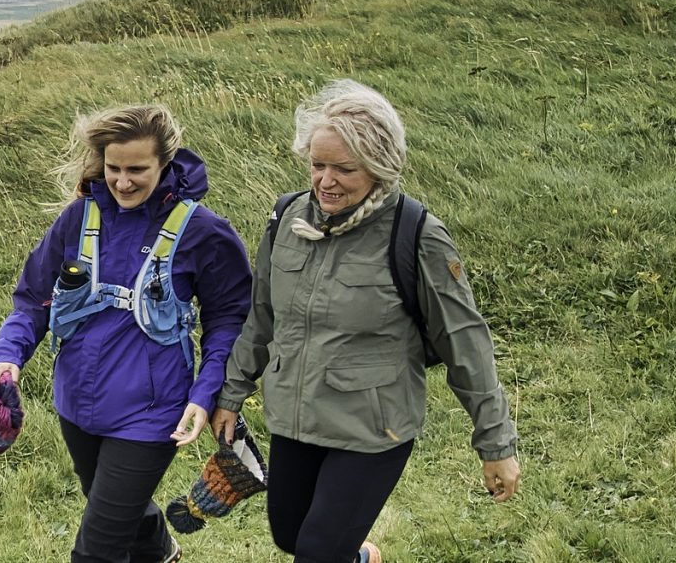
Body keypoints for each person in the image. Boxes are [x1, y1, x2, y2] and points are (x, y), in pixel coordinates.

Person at [212, 79, 524, 563]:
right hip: (296, 415)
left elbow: (465, 343)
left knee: (316, 552)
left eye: (344, 168)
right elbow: (263, 317)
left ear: (379, 167)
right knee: (290, 536)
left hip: (374, 429)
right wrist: (232, 394)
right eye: (318, 164)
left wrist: (496, 443)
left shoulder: (416, 234)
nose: (326, 180)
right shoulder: (287, 218)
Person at [0, 104, 254, 563]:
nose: (123, 182)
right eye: (114, 168)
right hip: (76, 404)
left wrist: (206, 394)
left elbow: (228, 321)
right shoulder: (77, 219)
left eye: (137, 170)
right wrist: (7, 355)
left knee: (97, 549)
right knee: (116, 509)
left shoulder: (204, 233)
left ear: (165, 163)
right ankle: (158, 549)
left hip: (152, 413)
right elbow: (33, 300)